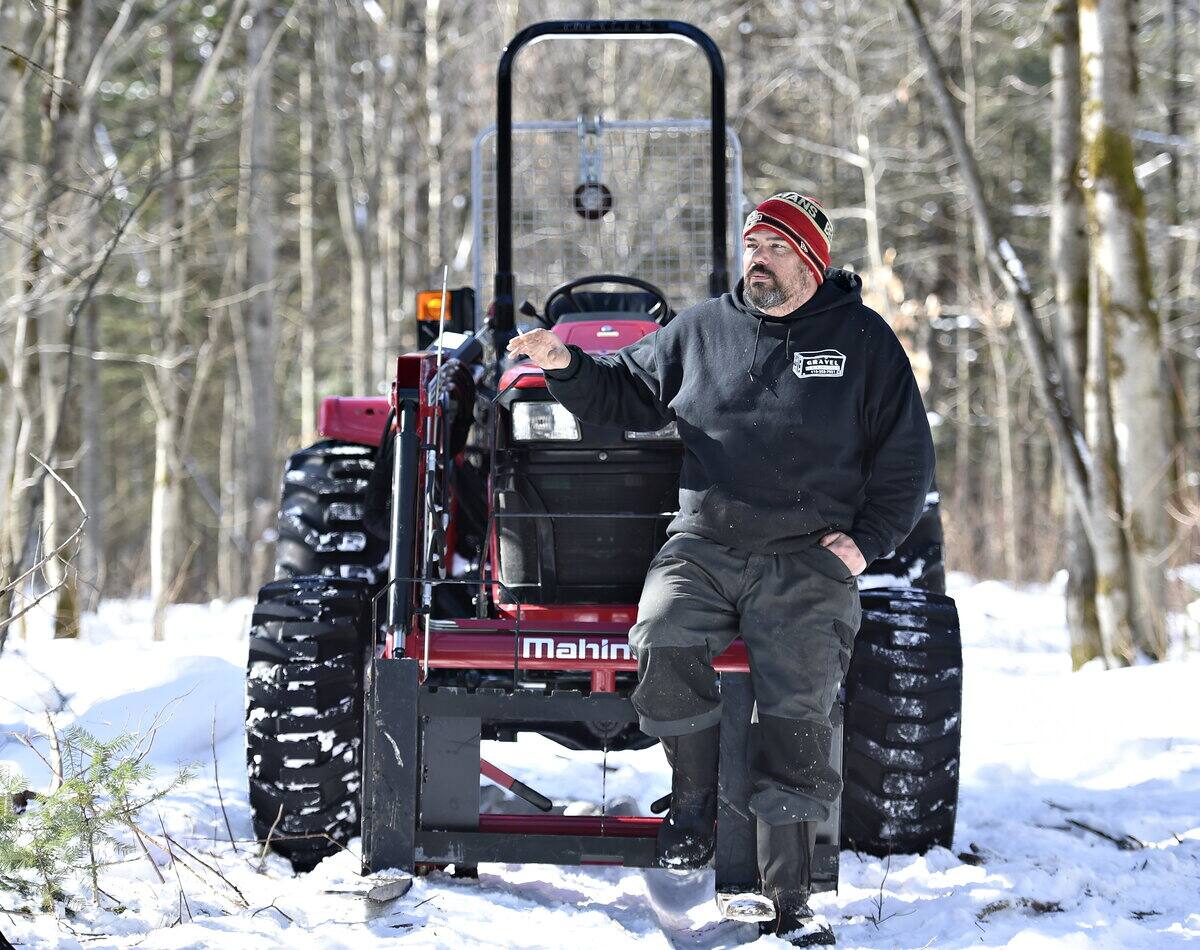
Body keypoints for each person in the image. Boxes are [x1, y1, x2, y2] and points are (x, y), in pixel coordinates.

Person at [506, 193, 935, 946]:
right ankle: (694, 806)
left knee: (798, 713)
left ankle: (790, 897)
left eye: (773, 246)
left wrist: (865, 545)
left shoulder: (864, 342)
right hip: (704, 542)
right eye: (750, 244)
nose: (756, 258)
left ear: (810, 258)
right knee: (662, 636)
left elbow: (906, 462)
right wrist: (565, 364)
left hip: (808, 553)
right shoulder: (703, 330)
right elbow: (625, 393)